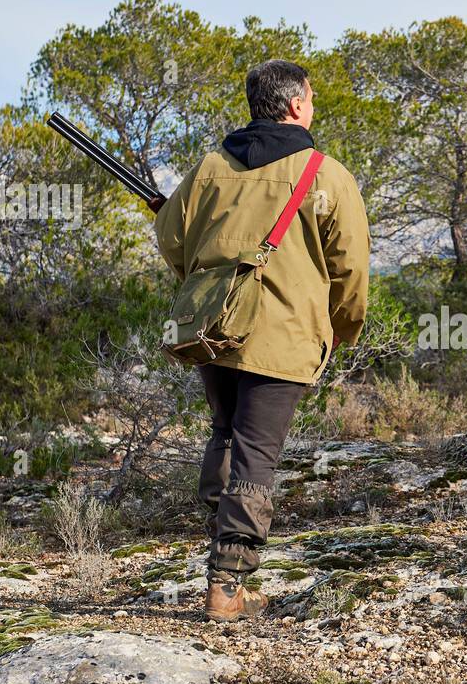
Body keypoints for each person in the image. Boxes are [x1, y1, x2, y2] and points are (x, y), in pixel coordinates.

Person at [152, 59, 370, 621]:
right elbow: (351, 270)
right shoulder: (327, 175)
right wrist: (344, 327)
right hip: (285, 334)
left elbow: (173, 239)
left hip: (214, 327)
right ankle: (227, 587)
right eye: (312, 99)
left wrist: (211, 290)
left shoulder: (210, 167)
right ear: (297, 104)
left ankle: (220, 552)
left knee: (226, 435)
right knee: (257, 451)